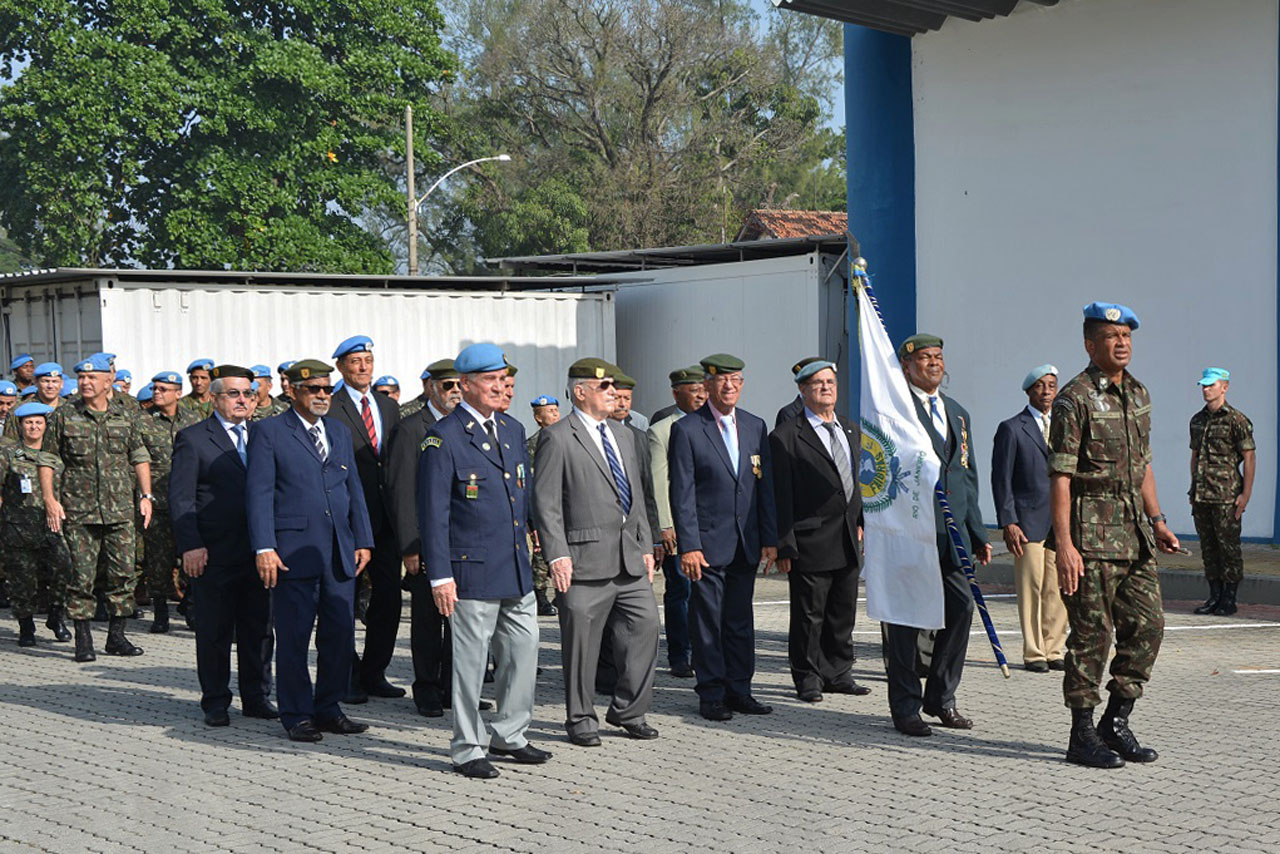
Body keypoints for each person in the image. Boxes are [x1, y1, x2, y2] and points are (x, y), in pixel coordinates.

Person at [1049, 302, 1180, 769]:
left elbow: (1142, 466)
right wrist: (1065, 545)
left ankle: (1115, 721)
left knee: (1149, 626)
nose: (1121, 343)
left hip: (1136, 534)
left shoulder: (1139, 393)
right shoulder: (1074, 399)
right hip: (1090, 536)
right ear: (1090, 344)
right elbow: (1061, 477)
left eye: (1126, 335)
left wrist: (1159, 520)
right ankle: (1081, 735)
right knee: (1090, 636)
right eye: (1111, 336)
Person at [418, 342, 550, 779]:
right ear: (467, 385)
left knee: (523, 652)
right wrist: (440, 576)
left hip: (514, 566)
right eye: (491, 381)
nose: (500, 387)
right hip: (470, 570)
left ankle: (510, 733)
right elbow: (433, 515)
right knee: (470, 665)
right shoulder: (444, 437)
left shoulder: (511, 429)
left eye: (503, 379)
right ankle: (467, 746)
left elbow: (520, 497)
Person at [246, 359, 374, 742]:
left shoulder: (336, 430)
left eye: (326, 389)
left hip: (338, 551)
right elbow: (259, 494)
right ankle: (297, 713)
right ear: (292, 390)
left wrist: (363, 538)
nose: (322, 395)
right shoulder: (269, 432)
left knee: (338, 635)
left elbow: (353, 489)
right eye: (313, 389)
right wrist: (264, 547)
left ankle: (329, 707)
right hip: (293, 552)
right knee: (295, 636)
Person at [533, 359, 660, 745]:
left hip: (628, 558)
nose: (613, 394)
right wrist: (557, 554)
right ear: (580, 391)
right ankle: (581, 719)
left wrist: (645, 543)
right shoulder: (558, 437)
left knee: (647, 628)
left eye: (614, 388)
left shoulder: (625, 435)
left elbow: (635, 495)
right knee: (581, 647)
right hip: (583, 560)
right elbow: (546, 503)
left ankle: (628, 710)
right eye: (604, 387)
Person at [885, 333, 992, 737]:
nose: (933, 363)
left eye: (938, 357)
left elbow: (967, 475)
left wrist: (978, 531)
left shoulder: (958, 413)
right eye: (925, 358)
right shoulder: (896, 411)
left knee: (962, 608)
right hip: (912, 532)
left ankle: (941, 698)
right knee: (907, 620)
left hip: (953, 533)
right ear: (907, 366)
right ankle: (905, 705)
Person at [669, 353, 777, 722]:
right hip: (708, 544)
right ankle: (711, 692)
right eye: (721, 381)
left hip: (745, 542)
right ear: (708, 386)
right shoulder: (687, 429)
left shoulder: (754, 426)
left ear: (742, 385)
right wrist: (690, 545)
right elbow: (681, 493)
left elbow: (765, 487)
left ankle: (740, 689)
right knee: (708, 621)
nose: (729, 386)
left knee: (739, 620)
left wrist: (769, 537)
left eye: (735, 380)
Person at [170, 365, 277, 726]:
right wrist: (191, 545)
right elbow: (182, 499)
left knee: (259, 627)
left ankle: (257, 696)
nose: (243, 400)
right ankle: (215, 699)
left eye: (248, 393)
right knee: (215, 630)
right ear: (215, 398)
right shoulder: (194, 438)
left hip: (258, 550)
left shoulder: (264, 435)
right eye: (234, 394)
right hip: (213, 552)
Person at [39, 353, 153, 662]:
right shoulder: (64, 416)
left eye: (92, 378)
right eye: (82, 378)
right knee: (81, 576)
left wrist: (146, 496)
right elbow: (48, 460)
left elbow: (139, 454)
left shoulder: (125, 415)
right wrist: (50, 499)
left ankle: (117, 636)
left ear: (107, 382)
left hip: (119, 510)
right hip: (78, 509)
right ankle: (83, 639)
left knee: (124, 574)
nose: (86, 383)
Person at [769, 359, 867, 702]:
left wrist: (861, 524)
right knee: (809, 616)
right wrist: (784, 545)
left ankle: (838, 672)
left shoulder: (850, 429)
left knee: (843, 612)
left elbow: (855, 485)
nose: (826, 388)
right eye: (817, 383)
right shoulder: (786, 436)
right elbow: (779, 495)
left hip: (847, 538)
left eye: (830, 382)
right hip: (810, 539)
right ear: (802, 390)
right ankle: (807, 677)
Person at [385, 357, 476, 718]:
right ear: (431, 388)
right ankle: (425, 688)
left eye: (459, 385)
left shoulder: (466, 426)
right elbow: (401, 491)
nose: (455, 392)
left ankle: (455, 688)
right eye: (447, 386)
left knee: (462, 620)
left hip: (464, 541)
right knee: (427, 619)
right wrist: (410, 544)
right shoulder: (412, 429)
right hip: (425, 543)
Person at [326, 335, 404, 700]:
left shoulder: (387, 407)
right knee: (344, 598)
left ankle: (375, 672)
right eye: (355, 361)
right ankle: (346, 673)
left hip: (385, 518)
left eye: (368, 360)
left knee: (388, 598)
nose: (363, 367)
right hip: (346, 517)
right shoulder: (332, 404)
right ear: (341, 366)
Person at [992, 364, 1068, 673]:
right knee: (1032, 586)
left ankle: (1055, 648)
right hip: (1028, 521)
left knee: (1059, 586)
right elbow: (1002, 479)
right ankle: (1034, 651)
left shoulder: (1065, 427)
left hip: (1060, 521)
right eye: (1040, 386)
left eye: (1051, 385)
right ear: (1028, 391)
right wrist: (1008, 521)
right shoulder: (1012, 428)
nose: (1047, 391)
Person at [647, 366, 707, 678]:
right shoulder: (663, 430)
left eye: (703, 388)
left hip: (710, 524)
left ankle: (706, 652)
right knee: (680, 591)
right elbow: (659, 481)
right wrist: (665, 526)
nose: (701, 394)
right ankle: (680, 654)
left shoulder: (715, 423)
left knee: (708, 594)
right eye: (693, 389)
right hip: (679, 527)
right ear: (676, 393)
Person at [1, 402, 73, 645]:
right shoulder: (8, 454)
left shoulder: (56, 456)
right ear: (20, 426)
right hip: (18, 528)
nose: (33, 427)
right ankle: (26, 626)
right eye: (29, 422)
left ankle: (56, 615)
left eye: (38, 423)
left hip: (51, 526)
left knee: (64, 569)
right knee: (23, 580)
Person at [137, 371, 203, 633]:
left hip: (188, 501)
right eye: (155, 388)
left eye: (164, 389)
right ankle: (161, 612)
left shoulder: (194, 418)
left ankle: (192, 607)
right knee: (159, 561)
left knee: (192, 555)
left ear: (178, 393)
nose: (157, 393)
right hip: (158, 501)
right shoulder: (142, 422)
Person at [1189, 367, 1255, 616]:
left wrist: (1245, 495)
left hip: (1227, 497)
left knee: (1228, 548)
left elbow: (1249, 458)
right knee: (1208, 548)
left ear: (1224, 387)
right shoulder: (1197, 420)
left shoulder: (1236, 420)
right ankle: (1214, 596)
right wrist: (1193, 488)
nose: (1206, 390)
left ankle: (1229, 598)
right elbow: (1194, 457)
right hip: (1202, 496)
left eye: (1211, 385)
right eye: (1204, 386)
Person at [527, 394, 562, 617]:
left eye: (556, 410)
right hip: (545, 506)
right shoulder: (532, 445)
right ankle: (540, 597)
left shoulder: (569, 437)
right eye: (549, 412)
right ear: (539, 419)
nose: (555, 415)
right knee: (541, 554)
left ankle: (563, 592)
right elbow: (530, 484)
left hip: (566, 504)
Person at [774, 357, 822, 428]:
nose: (825, 387)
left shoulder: (829, 411)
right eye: (817, 382)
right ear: (802, 386)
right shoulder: (789, 413)